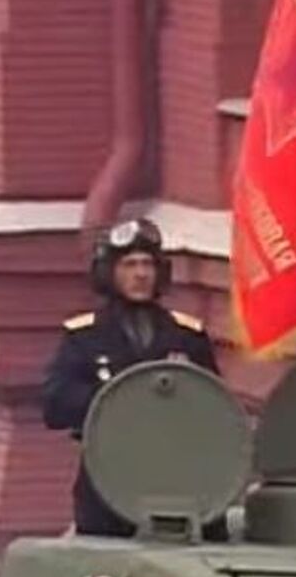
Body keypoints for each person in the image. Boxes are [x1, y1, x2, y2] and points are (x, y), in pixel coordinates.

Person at [41, 218, 227, 539]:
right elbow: (54, 406)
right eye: (129, 265)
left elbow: (214, 407)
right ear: (109, 272)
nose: (140, 274)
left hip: (177, 478)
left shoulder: (186, 336)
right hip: (109, 485)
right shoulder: (85, 337)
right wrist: (116, 401)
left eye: (147, 264)